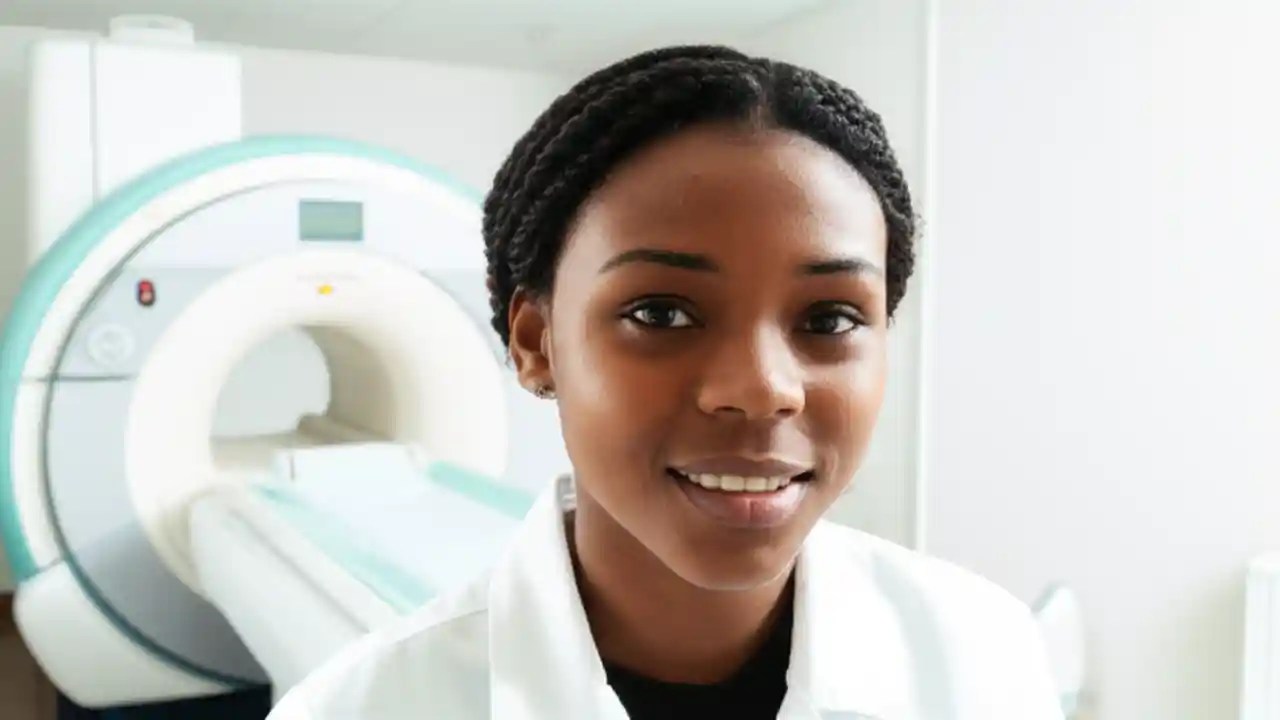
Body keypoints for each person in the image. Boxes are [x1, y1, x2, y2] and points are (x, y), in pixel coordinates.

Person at [268, 45, 1064, 719]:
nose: (762, 390)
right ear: (536, 341)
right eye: (662, 313)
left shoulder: (982, 657)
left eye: (827, 320)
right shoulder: (359, 707)